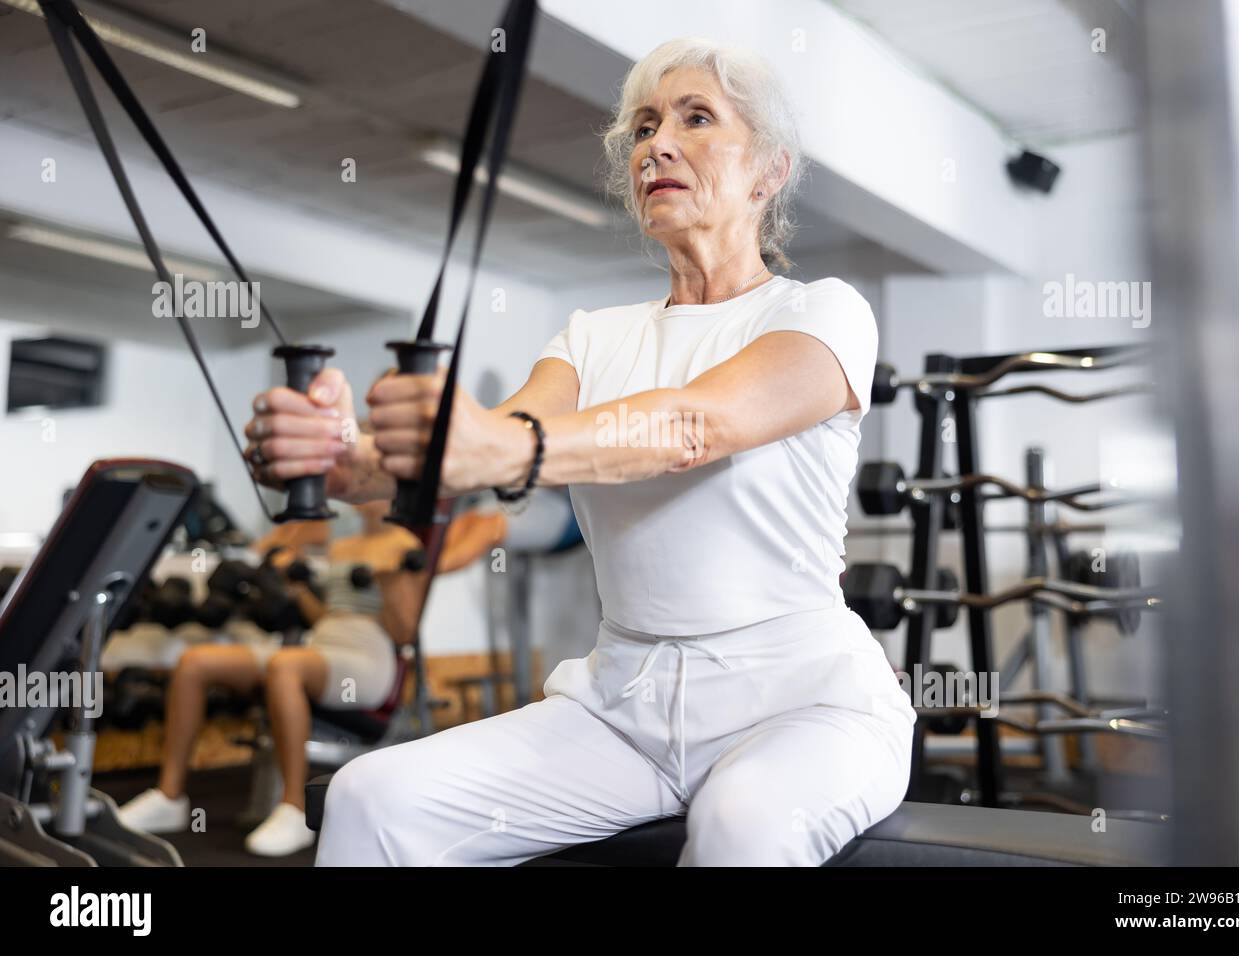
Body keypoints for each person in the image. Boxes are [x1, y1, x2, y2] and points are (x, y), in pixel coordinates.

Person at [244, 37, 916, 866]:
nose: (656, 144)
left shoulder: (820, 313)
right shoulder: (592, 338)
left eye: (695, 118)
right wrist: (349, 462)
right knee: (371, 798)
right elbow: (487, 448)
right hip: (621, 710)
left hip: (802, 703)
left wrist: (499, 444)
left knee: (743, 821)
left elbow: (692, 426)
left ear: (769, 171)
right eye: (642, 127)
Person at [118, 500, 505, 856]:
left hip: (367, 660)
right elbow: (324, 618)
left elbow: (404, 632)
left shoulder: (402, 545)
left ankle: (294, 807)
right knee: (195, 661)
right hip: (322, 645)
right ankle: (170, 797)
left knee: (285, 666)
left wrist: (391, 584)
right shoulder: (343, 544)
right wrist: (299, 586)